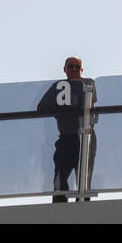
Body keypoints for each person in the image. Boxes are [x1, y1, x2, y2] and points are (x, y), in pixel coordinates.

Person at [36, 56, 98, 202]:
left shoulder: (88, 83)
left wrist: (63, 106)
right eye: (71, 67)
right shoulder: (58, 87)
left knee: (84, 178)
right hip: (66, 137)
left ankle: (83, 208)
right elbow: (41, 108)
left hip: (86, 135)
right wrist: (60, 109)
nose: (74, 70)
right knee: (60, 177)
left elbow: (89, 103)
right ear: (64, 69)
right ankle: (60, 209)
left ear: (82, 70)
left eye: (77, 67)